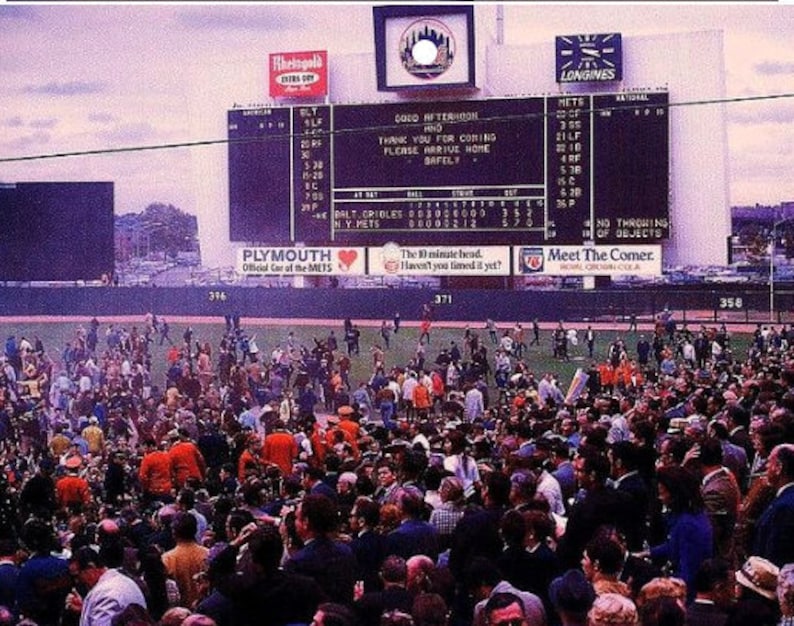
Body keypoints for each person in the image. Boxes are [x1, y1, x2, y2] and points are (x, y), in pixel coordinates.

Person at [644, 465, 713, 600]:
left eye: (662, 493)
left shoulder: (688, 524)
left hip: (685, 594)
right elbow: (674, 544)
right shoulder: (689, 516)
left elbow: (687, 573)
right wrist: (648, 553)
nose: (660, 498)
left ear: (675, 495)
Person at [284, 493, 357, 605]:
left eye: (297, 518)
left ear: (305, 523)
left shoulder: (297, 563)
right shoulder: (346, 552)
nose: (294, 522)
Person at [67, 541, 148, 626]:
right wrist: (85, 609)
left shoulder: (105, 595)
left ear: (90, 567)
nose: (77, 581)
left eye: (77, 576)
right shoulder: (120, 580)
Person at [752, 443, 794, 567]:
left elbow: (774, 557)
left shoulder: (784, 507)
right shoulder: (784, 498)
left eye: (769, 462)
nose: (766, 468)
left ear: (778, 468)